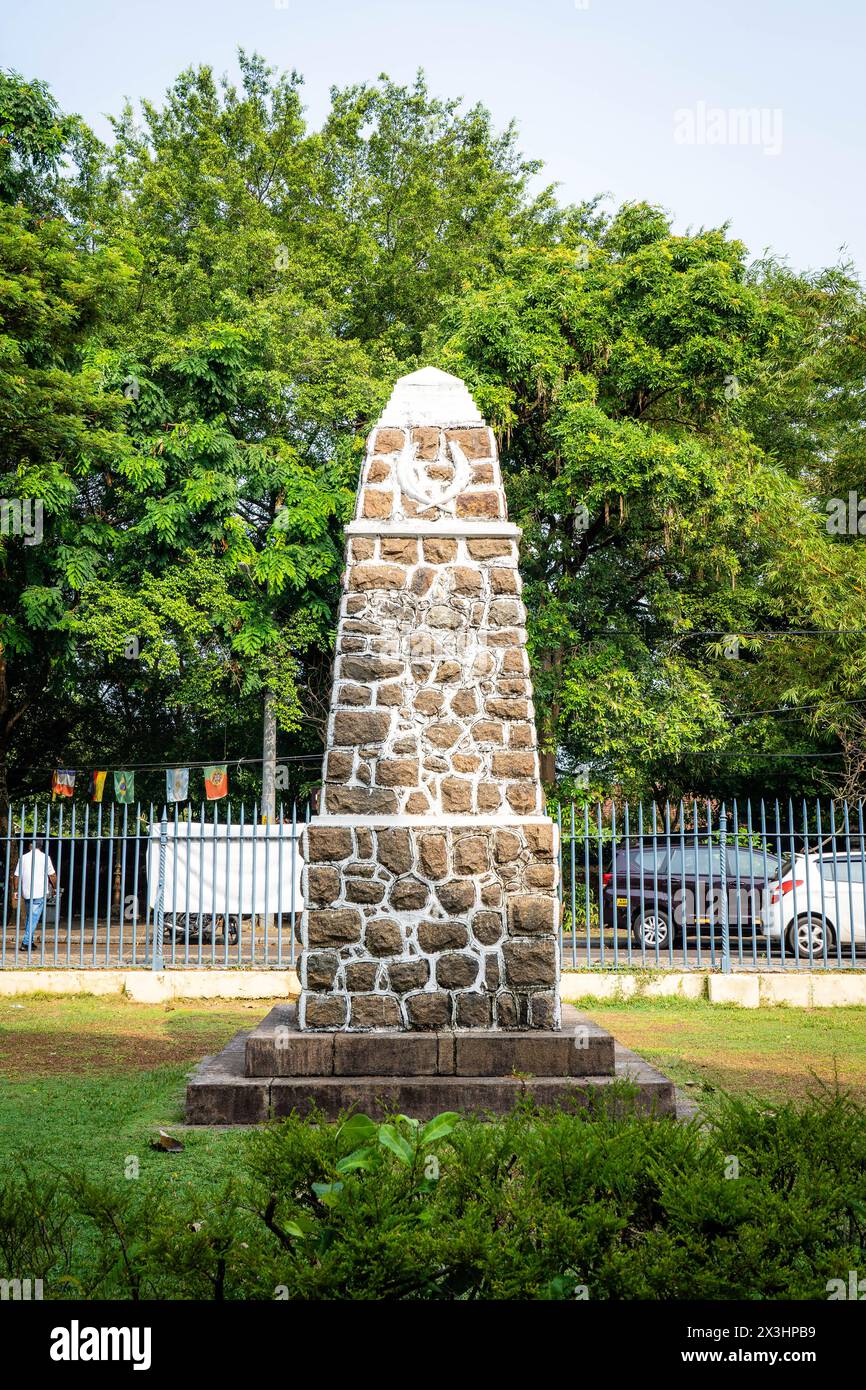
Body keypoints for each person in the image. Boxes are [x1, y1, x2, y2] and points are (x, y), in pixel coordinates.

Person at [12, 838, 56, 951]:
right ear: (41, 846)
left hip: (26, 892)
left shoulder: (23, 857)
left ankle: (30, 942)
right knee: (33, 918)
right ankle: (26, 942)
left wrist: (16, 890)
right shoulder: (45, 857)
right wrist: (55, 887)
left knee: (30, 917)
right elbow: (52, 875)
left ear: (31, 845)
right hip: (40, 892)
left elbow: (16, 875)